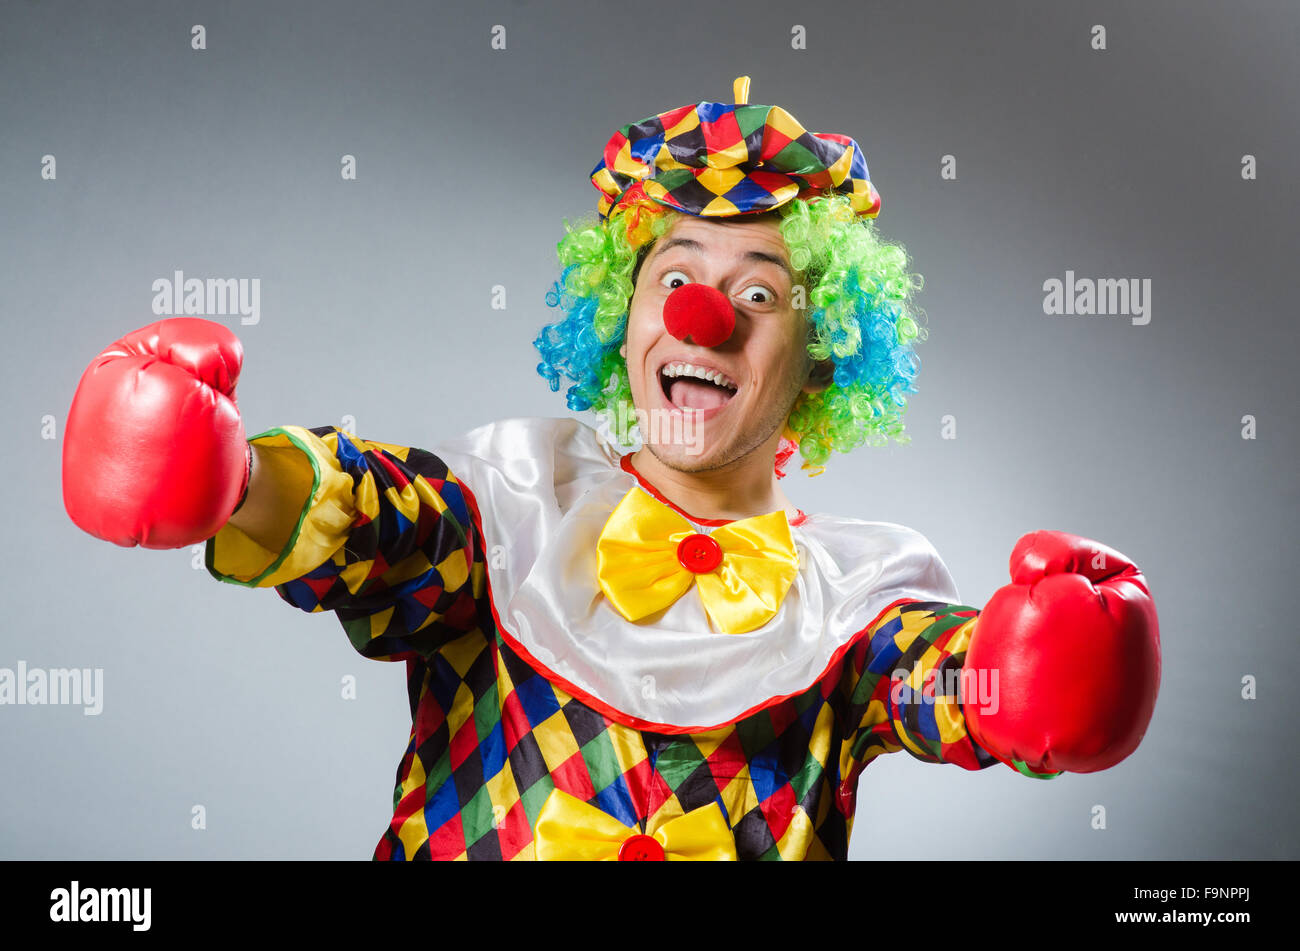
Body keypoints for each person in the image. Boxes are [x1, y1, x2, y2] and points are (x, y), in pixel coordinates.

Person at [62, 78, 1161, 861]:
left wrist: (1037, 676)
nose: (702, 315)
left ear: (820, 356)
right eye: (672, 277)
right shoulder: (512, 513)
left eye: (761, 294)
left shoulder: (853, 608)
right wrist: (236, 481)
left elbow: (944, 683)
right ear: (623, 321)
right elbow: (382, 524)